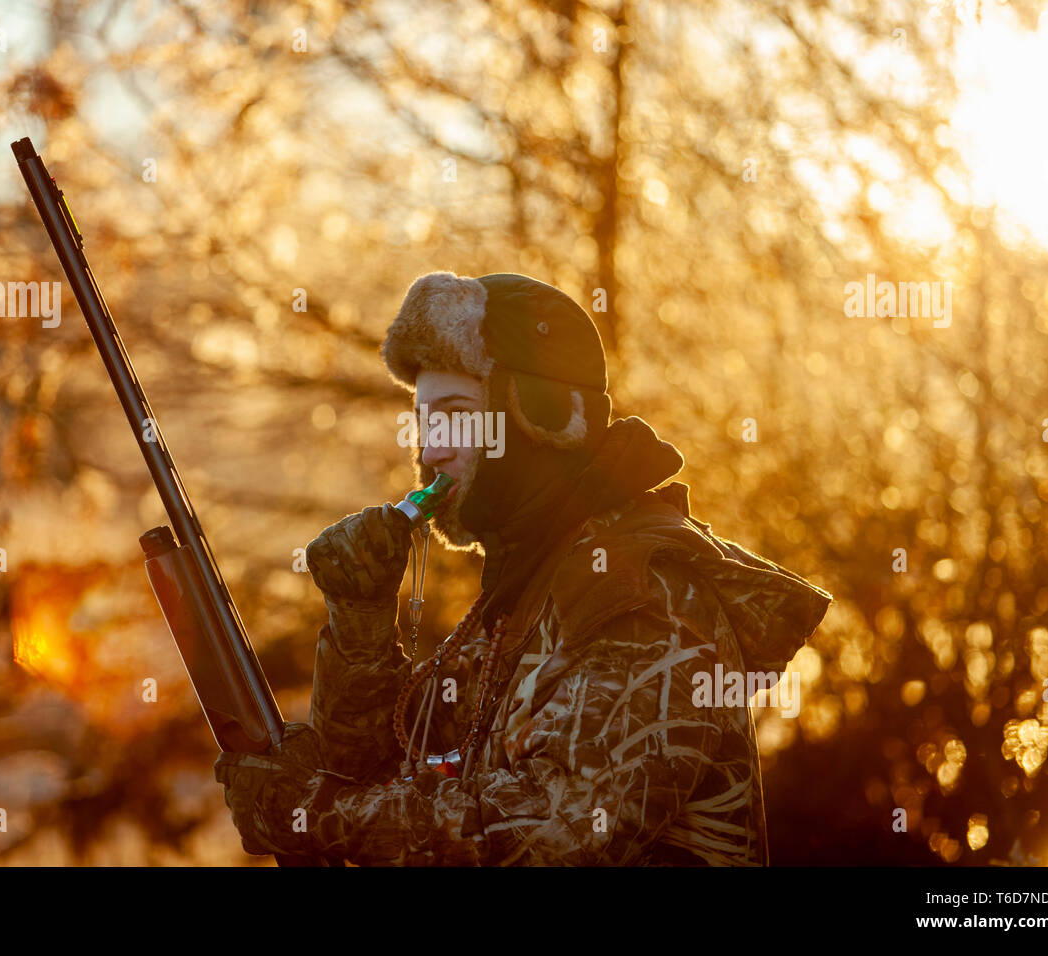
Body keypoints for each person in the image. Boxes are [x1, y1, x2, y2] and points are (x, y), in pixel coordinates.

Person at [215, 271, 832, 865]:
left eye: (455, 414)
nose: (429, 451)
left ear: (538, 420)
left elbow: (552, 832)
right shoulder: (526, 587)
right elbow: (381, 769)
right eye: (424, 421)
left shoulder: (642, 593)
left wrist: (311, 814)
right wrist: (360, 619)